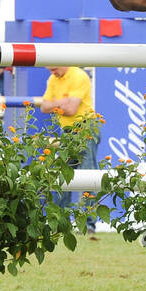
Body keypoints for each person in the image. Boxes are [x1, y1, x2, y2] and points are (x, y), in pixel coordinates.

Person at [39, 65, 99, 209]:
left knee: (87, 175)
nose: (53, 73)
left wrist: (54, 104)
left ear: (63, 63)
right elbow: (43, 107)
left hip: (84, 128)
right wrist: (64, 103)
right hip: (68, 130)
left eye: (54, 69)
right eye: (50, 70)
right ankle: (63, 219)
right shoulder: (54, 77)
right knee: (63, 174)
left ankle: (89, 224)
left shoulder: (78, 75)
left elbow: (70, 110)